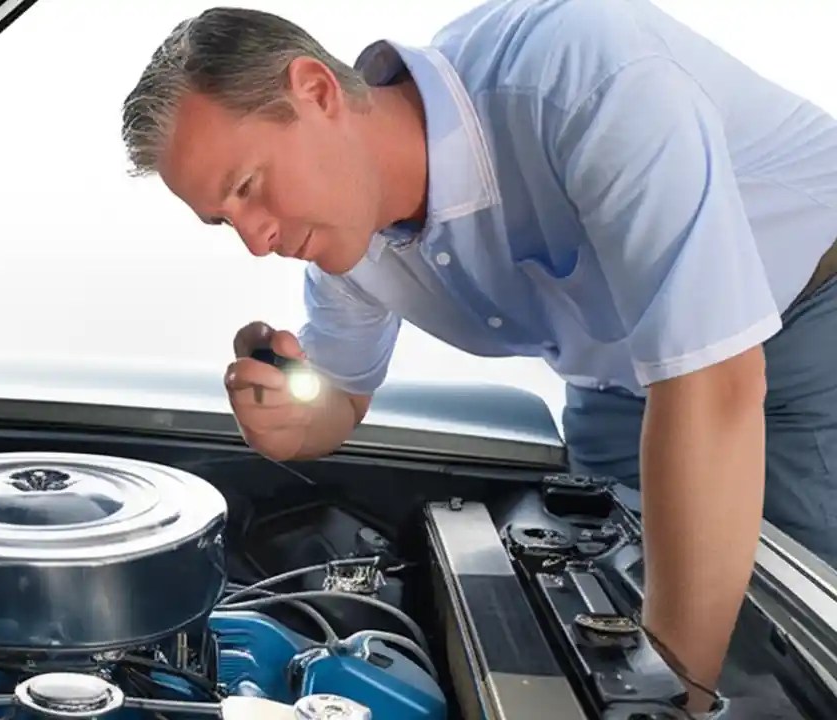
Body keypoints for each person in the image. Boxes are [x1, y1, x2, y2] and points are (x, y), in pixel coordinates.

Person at [119, 0, 837, 714]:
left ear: (317, 90)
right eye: (224, 221)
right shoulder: (345, 236)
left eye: (248, 189)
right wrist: (279, 415)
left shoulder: (579, 70)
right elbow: (337, 404)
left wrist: (671, 701)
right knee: (608, 621)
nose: (253, 240)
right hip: (623, 384)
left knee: (791, 655)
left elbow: (714, 385)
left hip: (806, 324)